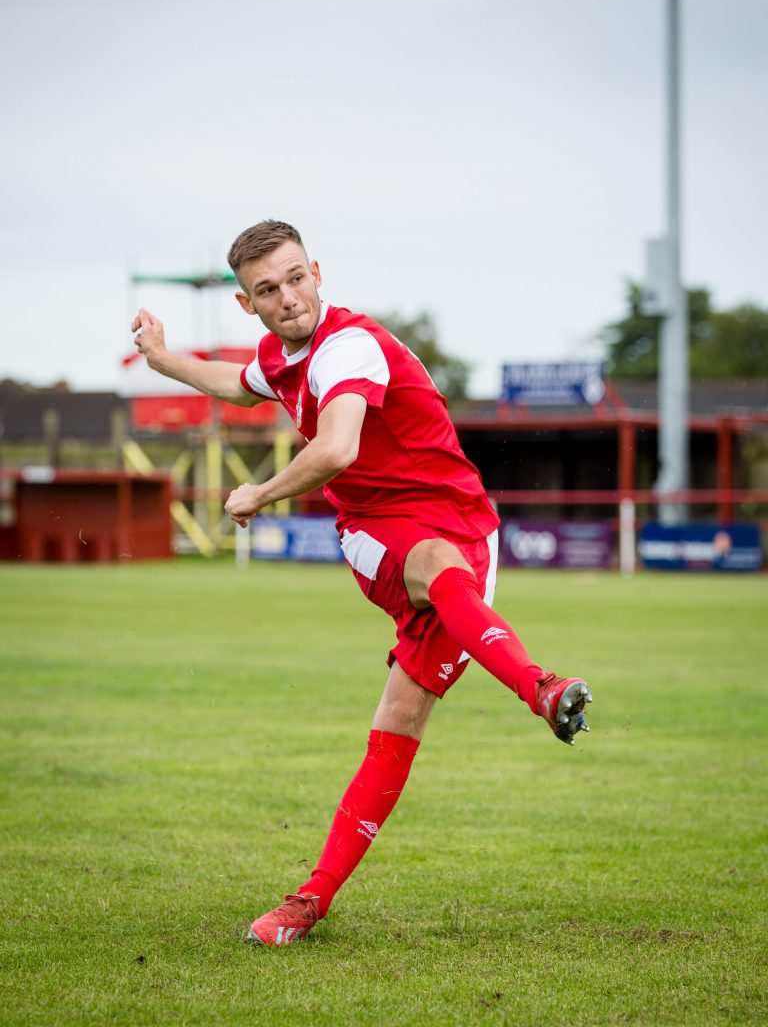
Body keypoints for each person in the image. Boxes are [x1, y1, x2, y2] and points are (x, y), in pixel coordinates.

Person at [131, 219, 592, 947]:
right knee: (430, 579)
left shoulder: (346, 346)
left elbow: (337, 446)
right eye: (266, 290)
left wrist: (257, 492)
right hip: (386, 533)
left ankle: (311, 901)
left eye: (295, 279)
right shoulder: (286, 354)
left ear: (318, 271)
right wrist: (163, 361)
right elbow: (238, 384)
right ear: (248, 305)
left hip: (460, 524)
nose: (287, 298)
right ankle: (538, 688)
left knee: (398, 720)